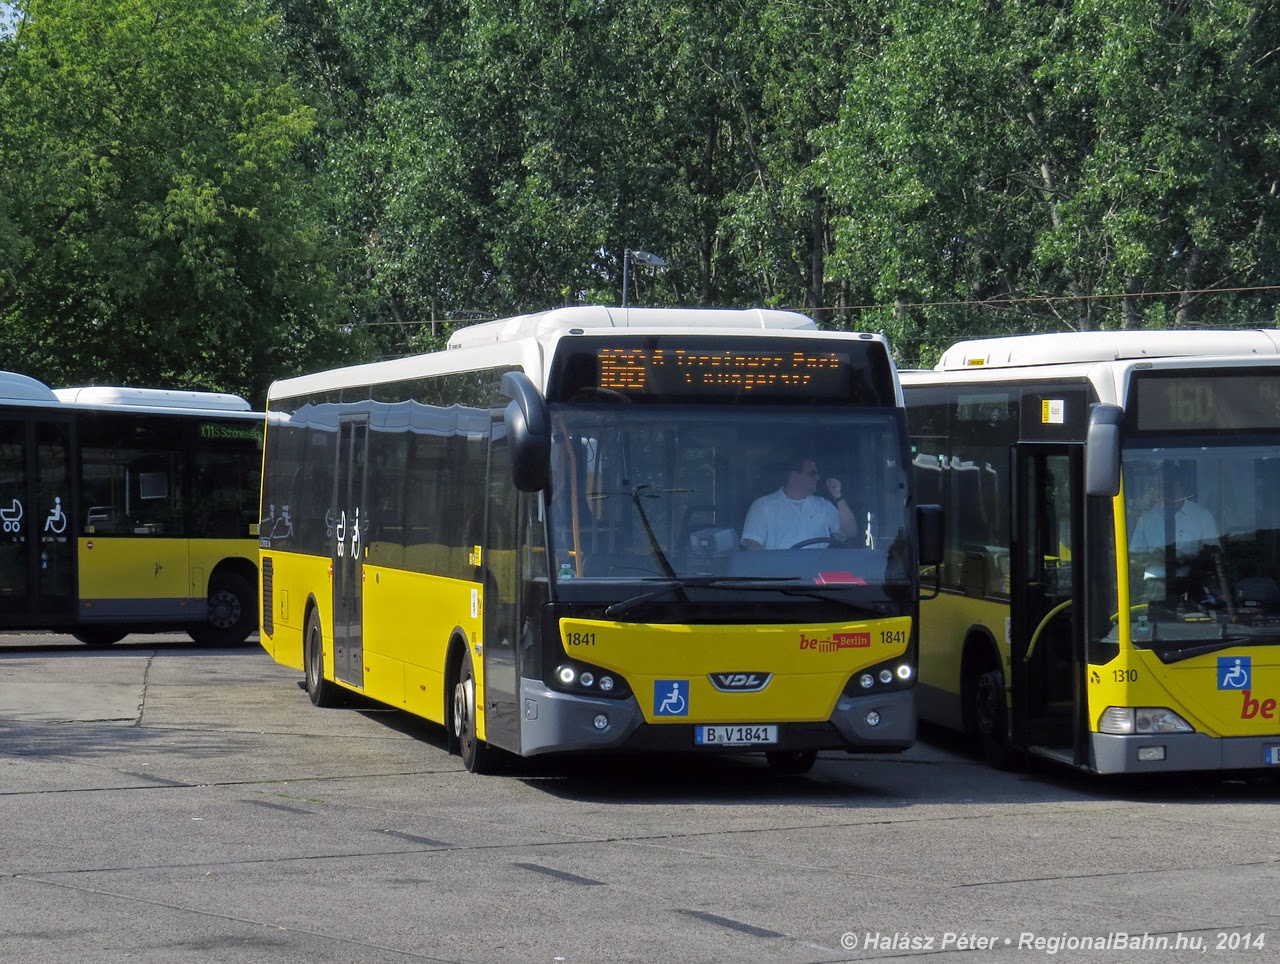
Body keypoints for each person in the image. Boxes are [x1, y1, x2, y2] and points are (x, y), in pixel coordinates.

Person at [740, 456, 857, 550]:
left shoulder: (823, 505)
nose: (817, 478)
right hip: (780, 575)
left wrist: (838, 496)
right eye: (812, 473)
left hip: (819, 573)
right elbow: (753, 545)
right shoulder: (762, 506)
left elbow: (851, 532)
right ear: (794, 476)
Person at [1129, 477, 1219, 560]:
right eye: (1164, 488)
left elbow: (1214, 554)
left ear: (1183, 488)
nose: (1168, 493)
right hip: (1155, 575)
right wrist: (1153, 558)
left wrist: (1189, 559)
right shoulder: (1147, 517)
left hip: (1191, 575)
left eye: (1172, 487)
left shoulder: (1202, 515)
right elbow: (1134, 557)